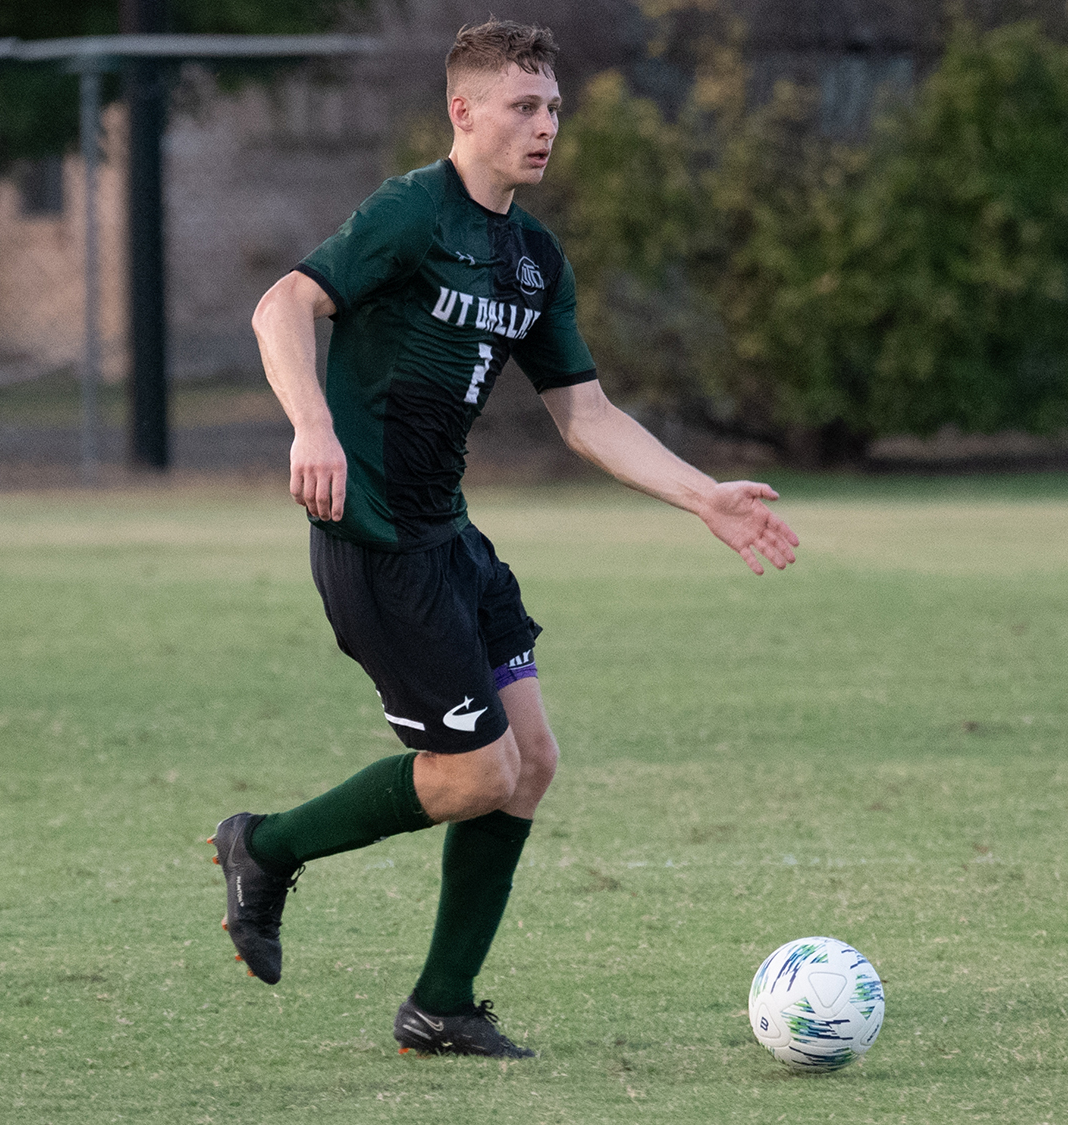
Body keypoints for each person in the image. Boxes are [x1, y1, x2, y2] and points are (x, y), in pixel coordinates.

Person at [214, 18, 799, 1059]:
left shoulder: (530, 257)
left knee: (528, 761)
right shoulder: (410, 213)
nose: (544, 127)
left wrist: (700, 494)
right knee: (474, 773)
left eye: (554, 109)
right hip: (375, 541)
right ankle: (264, 847)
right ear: (463, 112)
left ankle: (442, 1005)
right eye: (523, 107)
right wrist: (311, 424)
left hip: (449, 540)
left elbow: (585, 414)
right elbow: (281, 305)